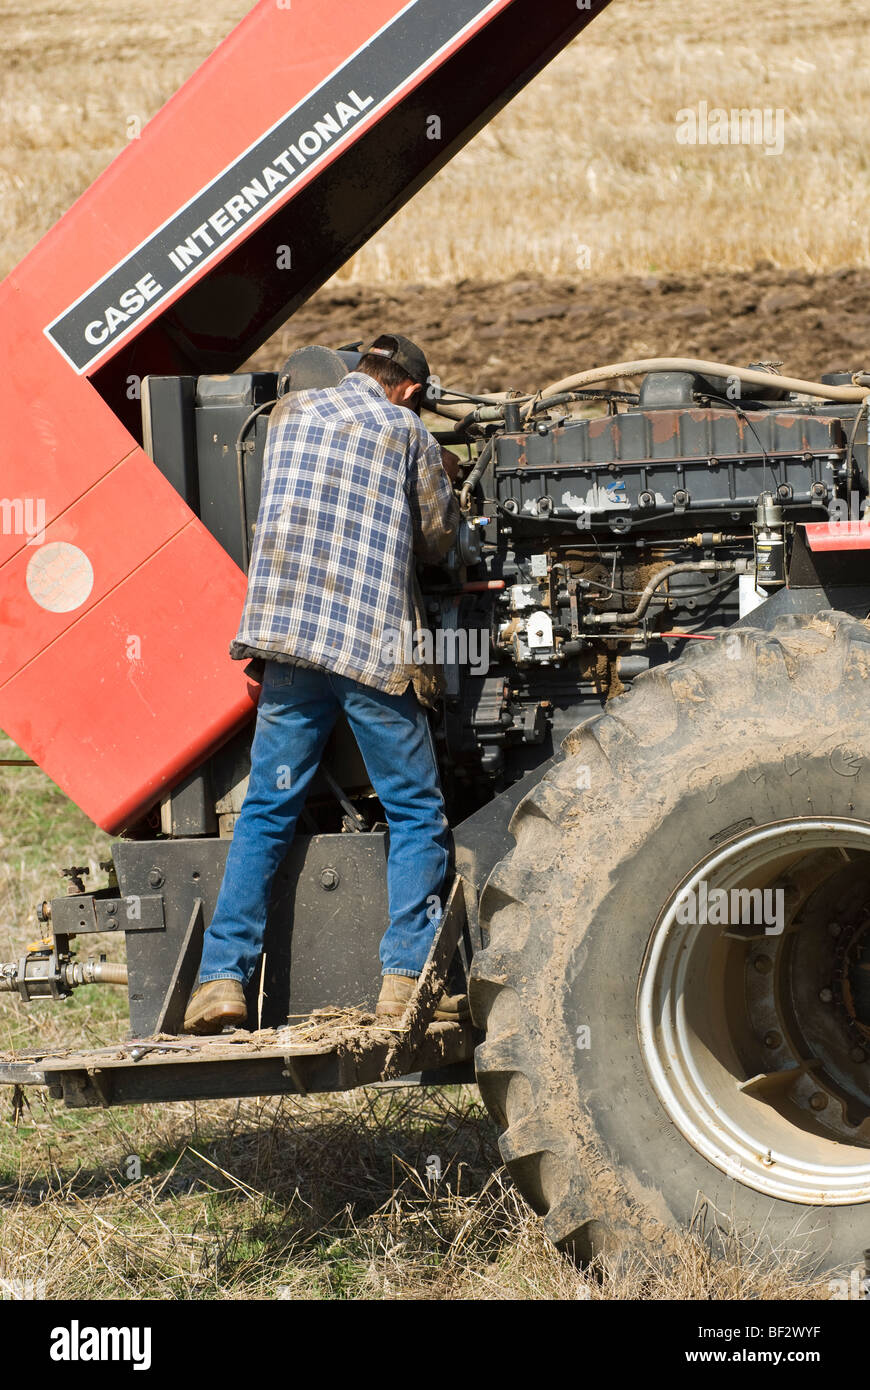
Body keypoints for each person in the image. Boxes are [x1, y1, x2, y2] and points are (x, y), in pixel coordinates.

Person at [183, 333, 466, 1034]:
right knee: (415, 810)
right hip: (370, 650)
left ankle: (219, 982)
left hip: (288, 645)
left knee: (266, 813)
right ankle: (405, 980)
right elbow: (437, 541)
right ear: (409, 389)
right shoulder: (405, 430)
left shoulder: (290, 414)